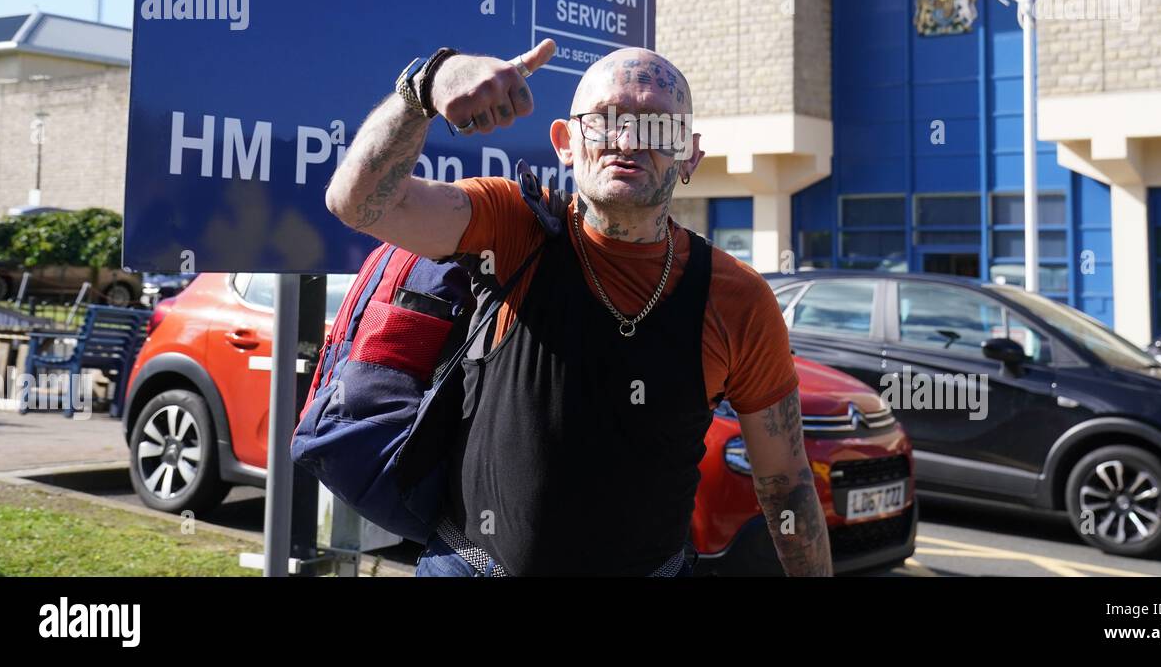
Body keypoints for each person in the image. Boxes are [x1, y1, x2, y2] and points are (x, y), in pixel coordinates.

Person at [324, 38, 832, 576]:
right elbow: (357, 203)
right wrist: (424, 86)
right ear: (565, 142)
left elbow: (786, 482)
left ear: (688, 152)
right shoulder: (511, 227)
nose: (628, 140)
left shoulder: (737, 298)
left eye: (657, 125)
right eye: (606, 120)